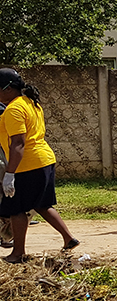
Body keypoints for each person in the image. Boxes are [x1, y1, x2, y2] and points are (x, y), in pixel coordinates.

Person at [0, 67, 78, 262]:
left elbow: (18, 143)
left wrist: (10, 174)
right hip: (44, 161)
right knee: (42, 204)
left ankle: (18, 253)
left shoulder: (14, 109)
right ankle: (69, 238)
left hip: (28, 164)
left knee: (16, 209)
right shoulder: (30, 103)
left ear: (8, 89)